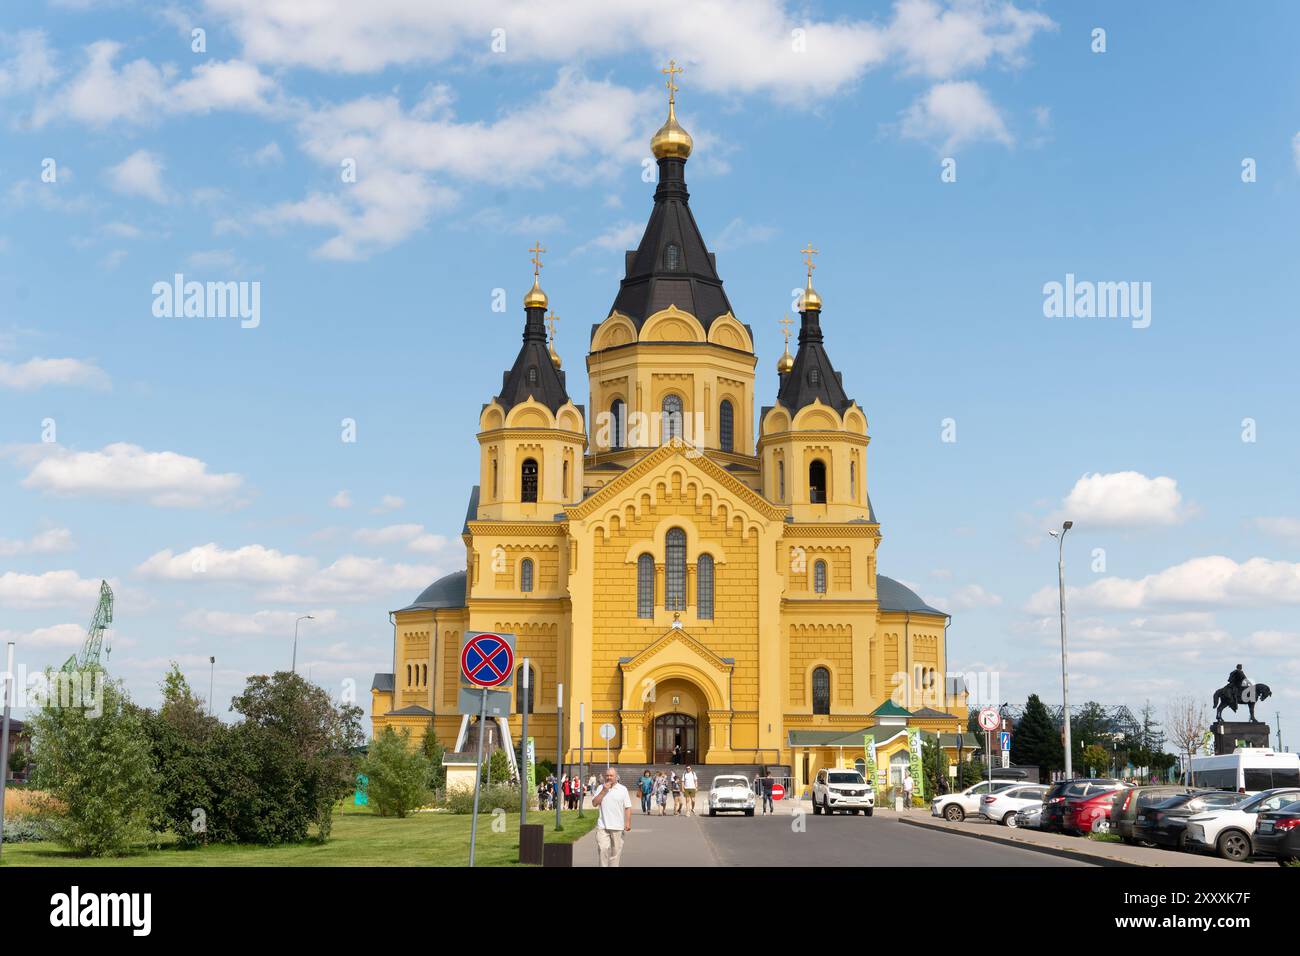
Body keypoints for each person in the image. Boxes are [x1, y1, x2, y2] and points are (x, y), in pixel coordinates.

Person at [592, 766, 632, 867]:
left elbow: (627, 807)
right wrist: (603, 791)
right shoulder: (600, 788)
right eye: (607, 775)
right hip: (603, 826)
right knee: (603, 849)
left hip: (617, 826)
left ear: (616, 777)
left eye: (611, 775)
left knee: (615, 853)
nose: (609, 777)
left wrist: (627, 822)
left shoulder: (623, 789)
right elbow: (594, 803)